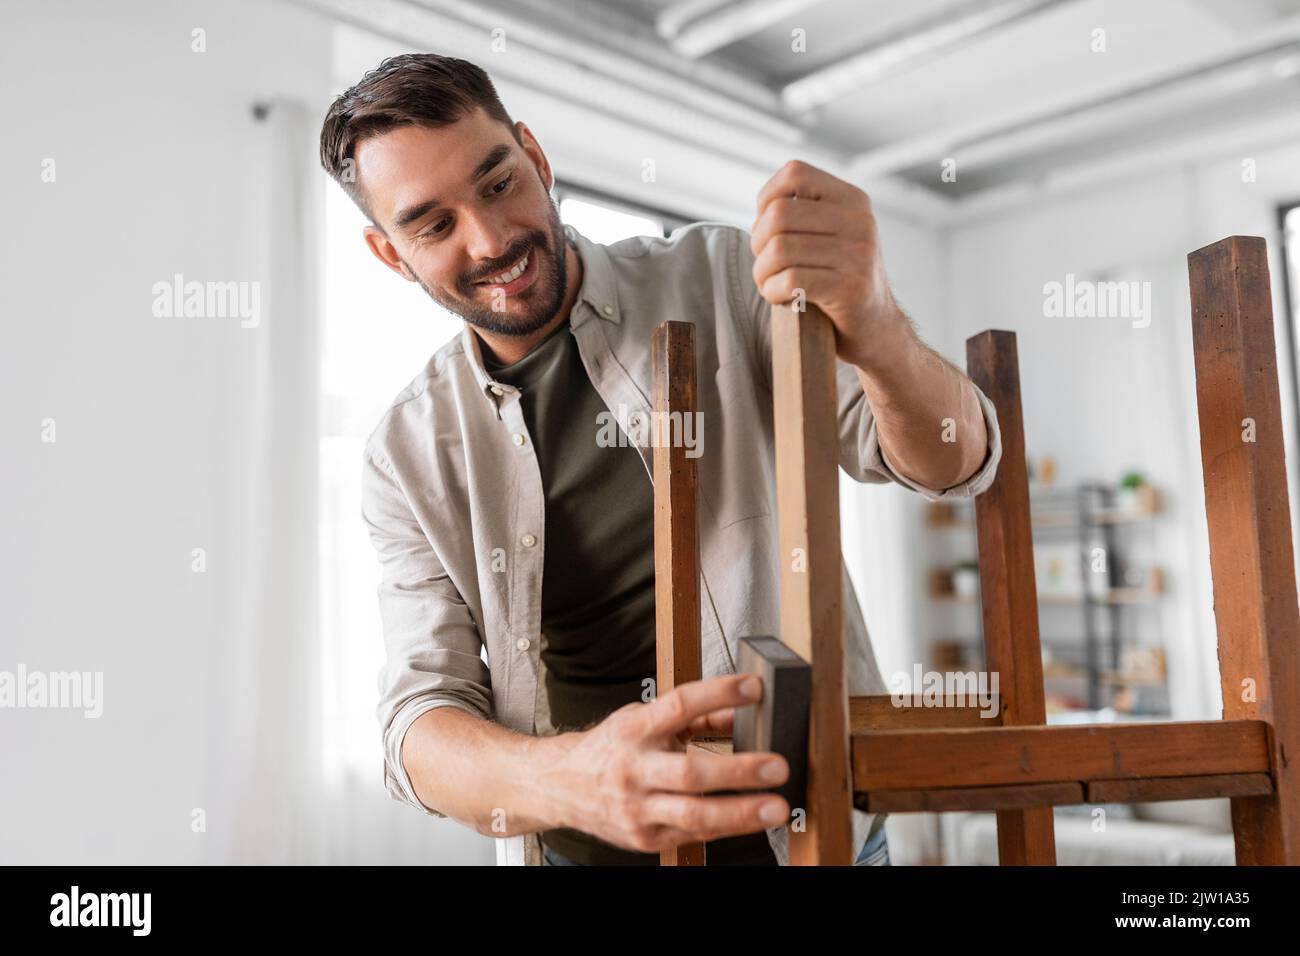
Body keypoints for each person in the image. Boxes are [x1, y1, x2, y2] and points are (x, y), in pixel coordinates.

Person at [318, 53, 1002, 866]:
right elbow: (418, 724)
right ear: (390, 254)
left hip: (819, 840)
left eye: (499, 183)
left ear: (534, 156)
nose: (492, 239)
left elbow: (955, 462)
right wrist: (579, 780)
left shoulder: (719, 278)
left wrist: (877, 319)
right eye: (434, 225)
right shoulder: (406, 455)